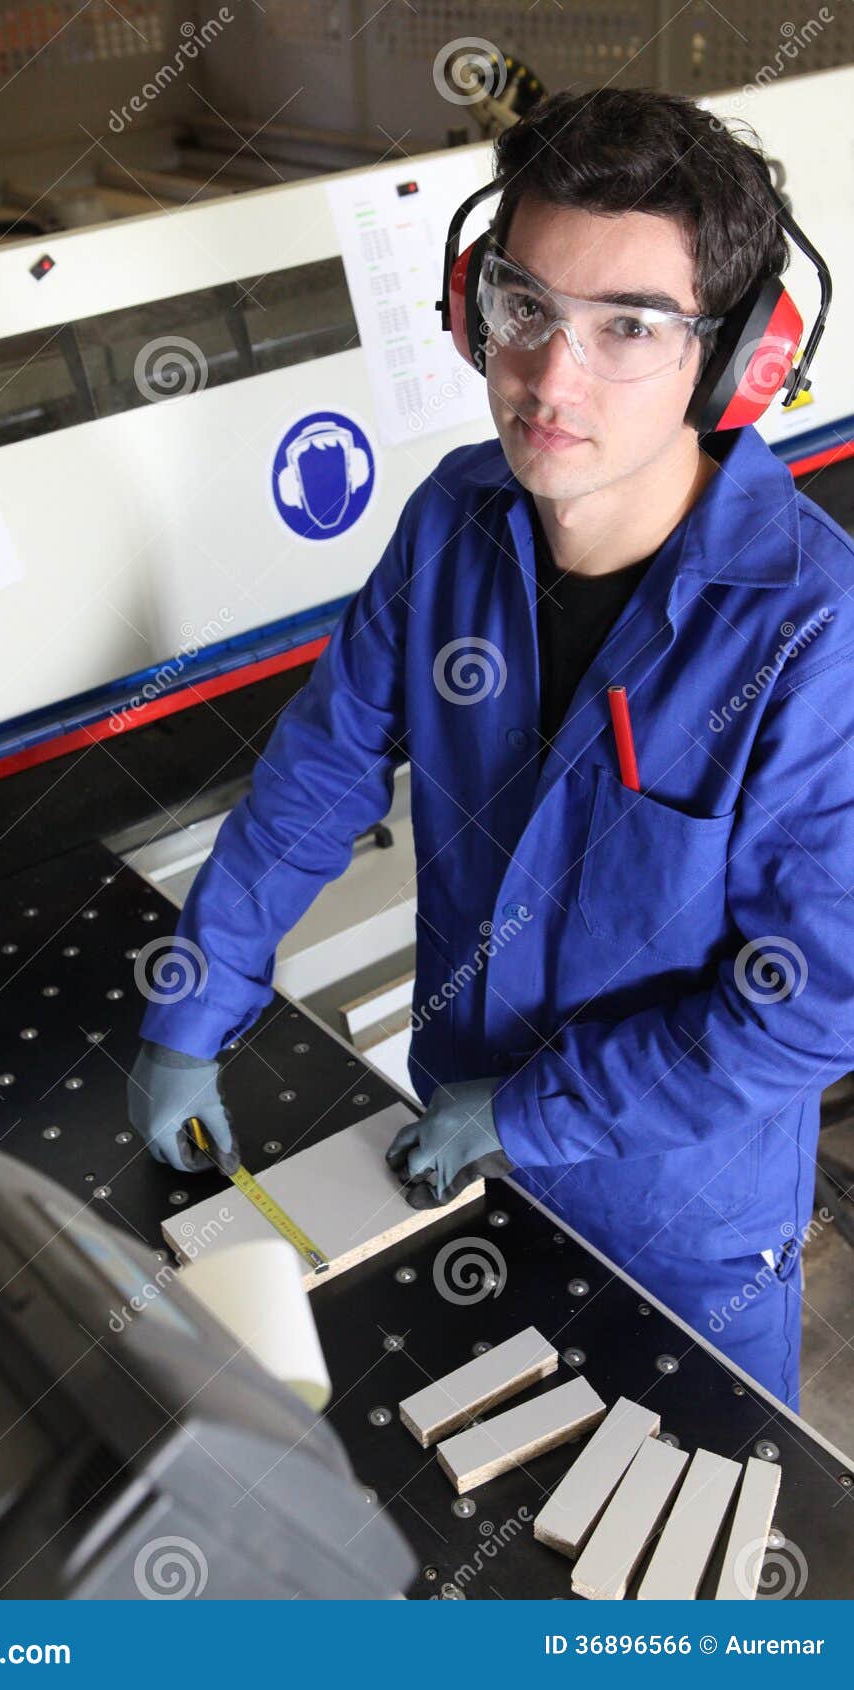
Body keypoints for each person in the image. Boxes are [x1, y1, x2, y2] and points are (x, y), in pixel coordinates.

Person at [128, 88, 853, 1410]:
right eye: (524, 308)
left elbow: (810, 1006)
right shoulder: (455, 524)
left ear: (738, 357)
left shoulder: (817, 633)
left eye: (626, 327)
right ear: (476, 307)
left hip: (677, 1230)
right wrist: (196, 998)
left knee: (688, 1569)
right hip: (447, 1160)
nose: (548, 378)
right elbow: (320, 774)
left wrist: (533, 1112)